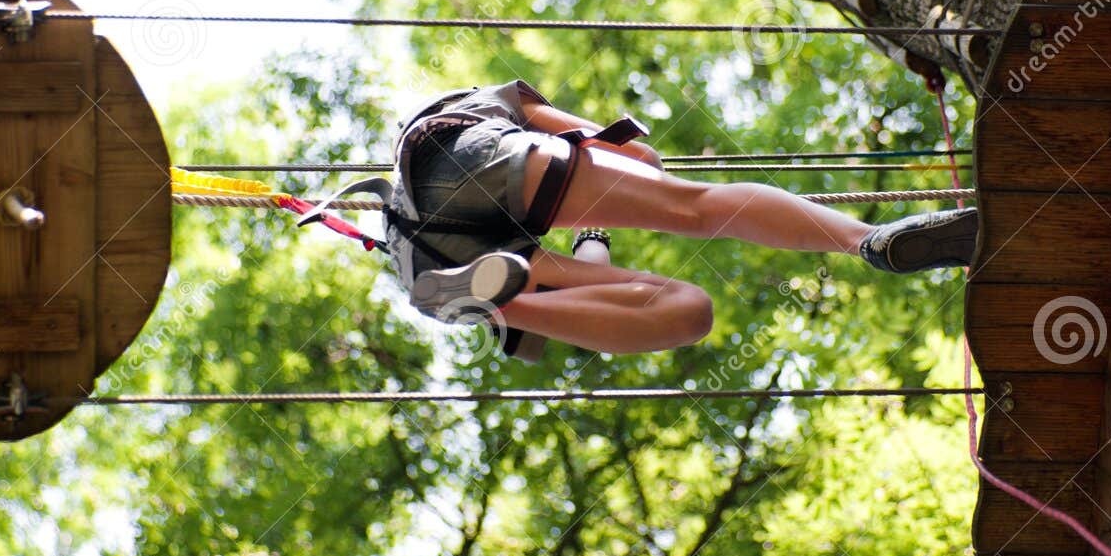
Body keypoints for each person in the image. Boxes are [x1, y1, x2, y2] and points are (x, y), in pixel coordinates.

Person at [360, 79, 976, 356]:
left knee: (687, 311)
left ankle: (493, 305)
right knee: (696, 206)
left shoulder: (426, 189)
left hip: (436, 258)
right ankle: (868, 241)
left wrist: (593, 229)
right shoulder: (479, 106)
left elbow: (587, 269)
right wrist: (616, 174)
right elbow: (638, 156)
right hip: (476, 163)